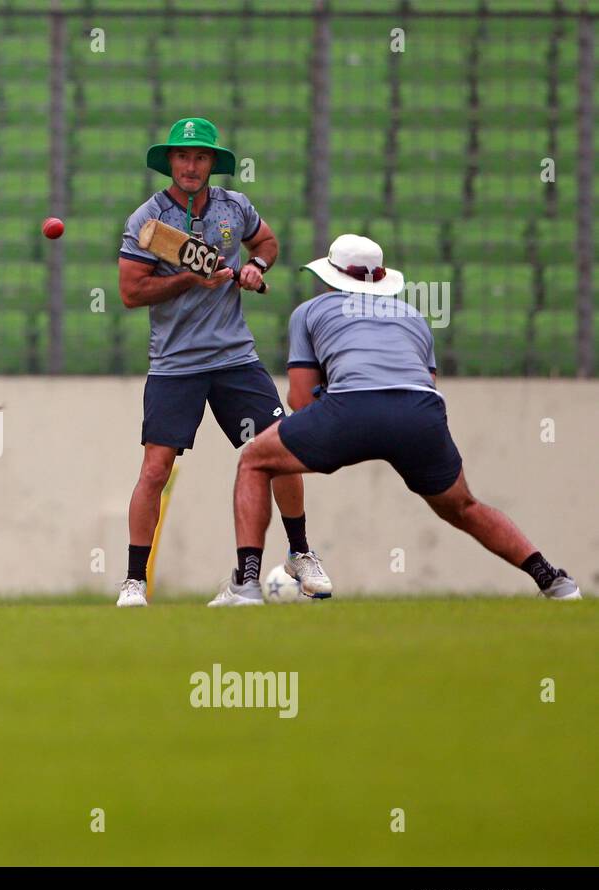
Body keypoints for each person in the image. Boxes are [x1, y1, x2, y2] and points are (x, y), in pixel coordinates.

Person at [226, 233, 580, 604]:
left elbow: (299, 398)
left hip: (350, 409)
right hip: (419, 415)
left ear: (329, 275)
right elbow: (427, 387)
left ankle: (248, 584)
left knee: (255, 460)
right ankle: (554, 581)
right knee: (464, 507)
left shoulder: (311, 311)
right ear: (381, 279)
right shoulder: (413, 316)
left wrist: (336, 407)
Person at [116, 117, 331, 608]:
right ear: (170, 162)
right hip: (174, 363)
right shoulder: (146, 218)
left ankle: (300, 553)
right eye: (183, 157)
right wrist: (192, 280)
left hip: (235, 357)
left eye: (201, 157)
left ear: (213, 163)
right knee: (155, 469)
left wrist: (255, 267)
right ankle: (134, 581)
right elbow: (131, 292)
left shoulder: (236, 208)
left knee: (281, 451)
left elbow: (268, 243)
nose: (191, 166)